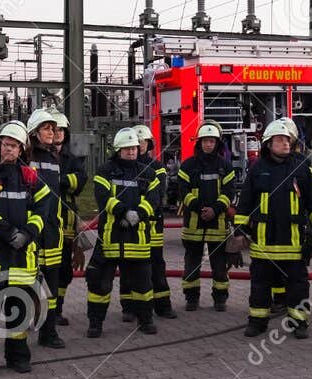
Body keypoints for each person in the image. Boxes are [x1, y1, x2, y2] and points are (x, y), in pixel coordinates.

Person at [0, 121, 53, 377]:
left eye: (14, 146)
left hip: (21, 259)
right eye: (5, 144)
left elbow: (43, 210)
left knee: (19, 311)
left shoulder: (31, 179)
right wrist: (8, 232)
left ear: (22, 150)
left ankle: (18, 357)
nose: (9, 149)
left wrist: (27, 233)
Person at [235, 118, 312, 339]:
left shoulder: (301, 167)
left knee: (298, 285)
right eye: (280, 140)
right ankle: (257, 322)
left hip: (294, 241)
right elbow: (245, 203)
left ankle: (299, 323)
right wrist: (239, 230)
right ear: (269, 143)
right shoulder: (258, 169)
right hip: (263, 241)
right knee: (260, 286)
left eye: (287, 140)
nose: (285, 144)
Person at [86, 126, 159, 337]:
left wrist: (138, 214)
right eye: (127, 149)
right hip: (110, 238)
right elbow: (103, 196)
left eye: (134, 148)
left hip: (137, 238)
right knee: (100, 284)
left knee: (143, 285)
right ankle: (95, 323)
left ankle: (145, 320)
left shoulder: (148, 173)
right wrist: (124, 212)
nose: (131, 152)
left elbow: (154, 199)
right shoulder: (105, 171)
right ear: (118, 150)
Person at [176, 121, 238, 312]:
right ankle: (191, 299)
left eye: (211, 141)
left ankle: (220, 299)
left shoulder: (225, 166)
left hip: (218, 224)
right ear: (199, 142)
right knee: (191, 265)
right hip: (193, 224)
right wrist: (198, 207)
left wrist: (215, 209)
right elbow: (181, 191)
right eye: (205, 141)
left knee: (219, 266)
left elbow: (229, 192)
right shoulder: (188, 165)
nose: (208, 144)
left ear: (217, 143)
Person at [25, 108, 71, 350]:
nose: (52, 132)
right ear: (34, 133)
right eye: (47, 128)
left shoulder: (54, 158)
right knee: (26, 282)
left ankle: (48, 332)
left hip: (52, 230)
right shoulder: (27, 157)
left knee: (51, 285)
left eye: (53, 128)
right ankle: (21, 328)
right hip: (32, 230)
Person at [133, 123, 174, 318]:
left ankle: (163, 306)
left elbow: (159, 194)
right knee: (132, 266)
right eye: (138, 140)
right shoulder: (125, 167)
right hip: (131, 225)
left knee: (156, 264)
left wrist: (138, 207)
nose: (141, 144)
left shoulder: (158, 168)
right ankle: (131, 307)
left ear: (150, 144)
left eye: (144, 141)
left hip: (152, 223)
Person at [52, 115, 86, 325]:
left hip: (67, 220)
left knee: (64, 269)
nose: (57, 134)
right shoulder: (35, 156)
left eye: (61, 130)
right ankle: (40, 309)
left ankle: (57, 310)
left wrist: (58, 181)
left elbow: (80, 181)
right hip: (44, 220)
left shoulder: (71, 159)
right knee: (45, 268)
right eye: (53, 130)